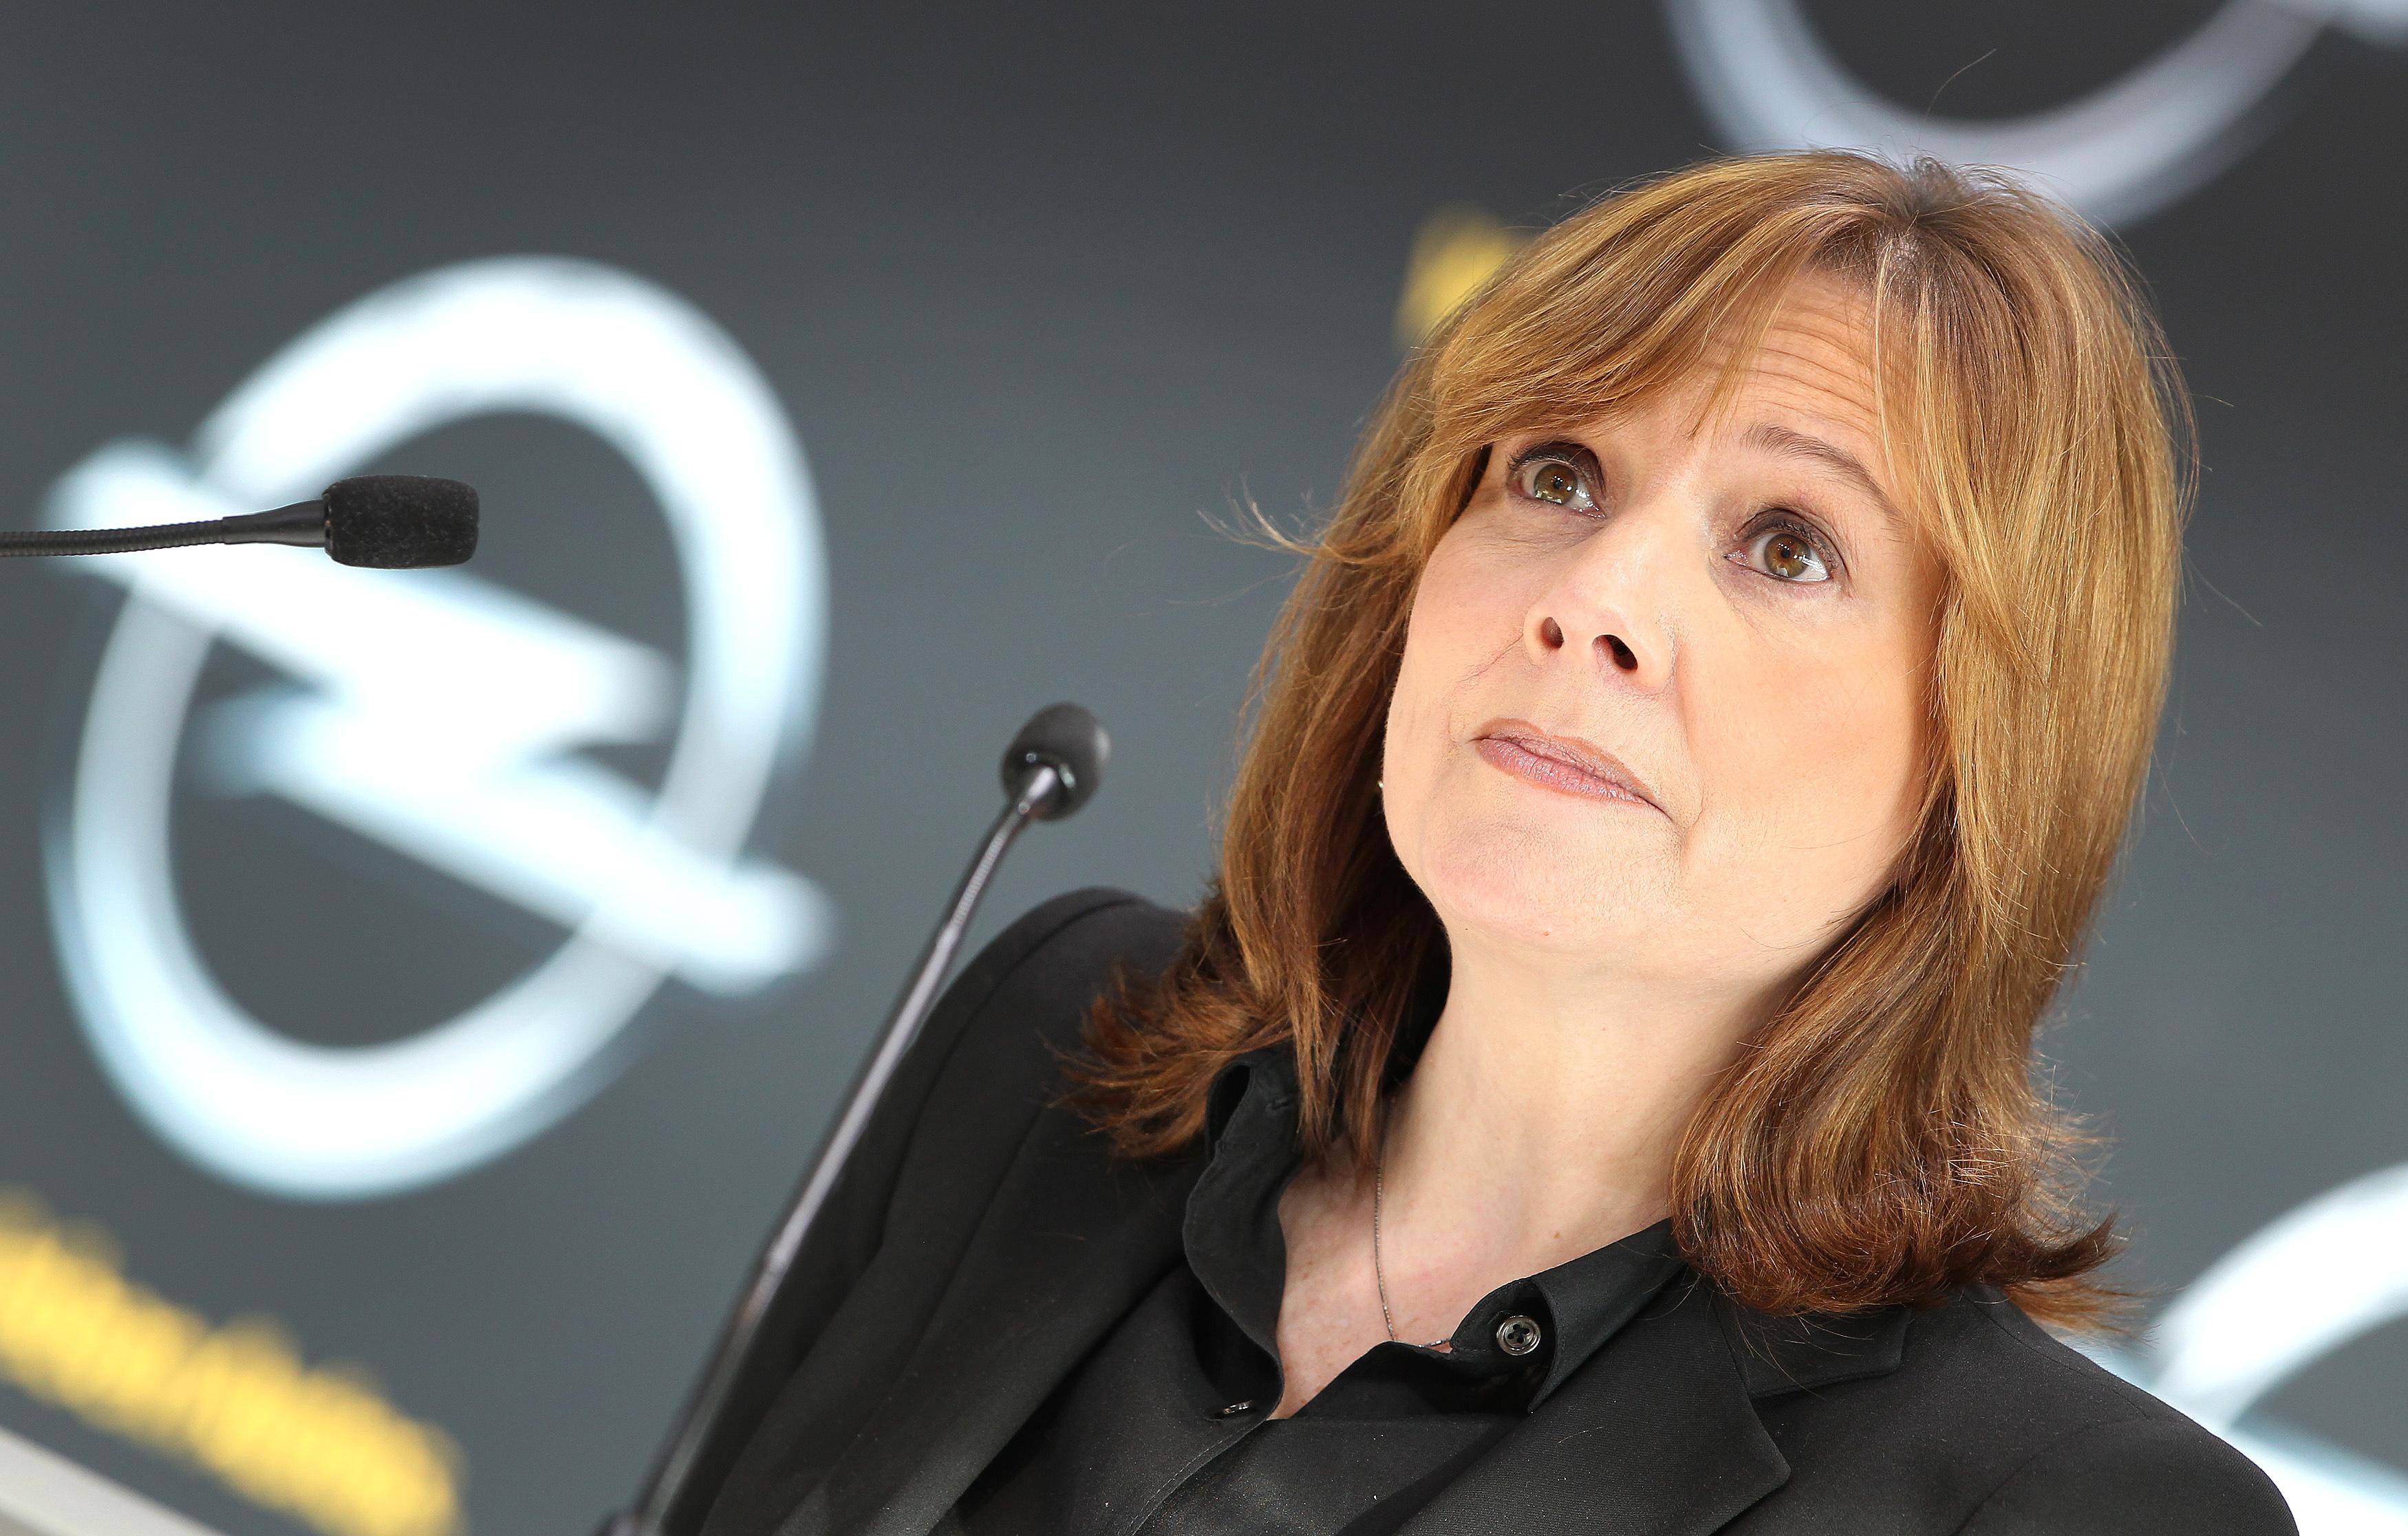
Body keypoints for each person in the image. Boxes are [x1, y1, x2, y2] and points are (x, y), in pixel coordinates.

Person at [687, 153, 2294, 1535]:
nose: (1591, 597)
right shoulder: (1047, 1036)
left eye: (1787, 546)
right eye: (1557, 472)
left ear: (1975, 762)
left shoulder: (2062, 1511)